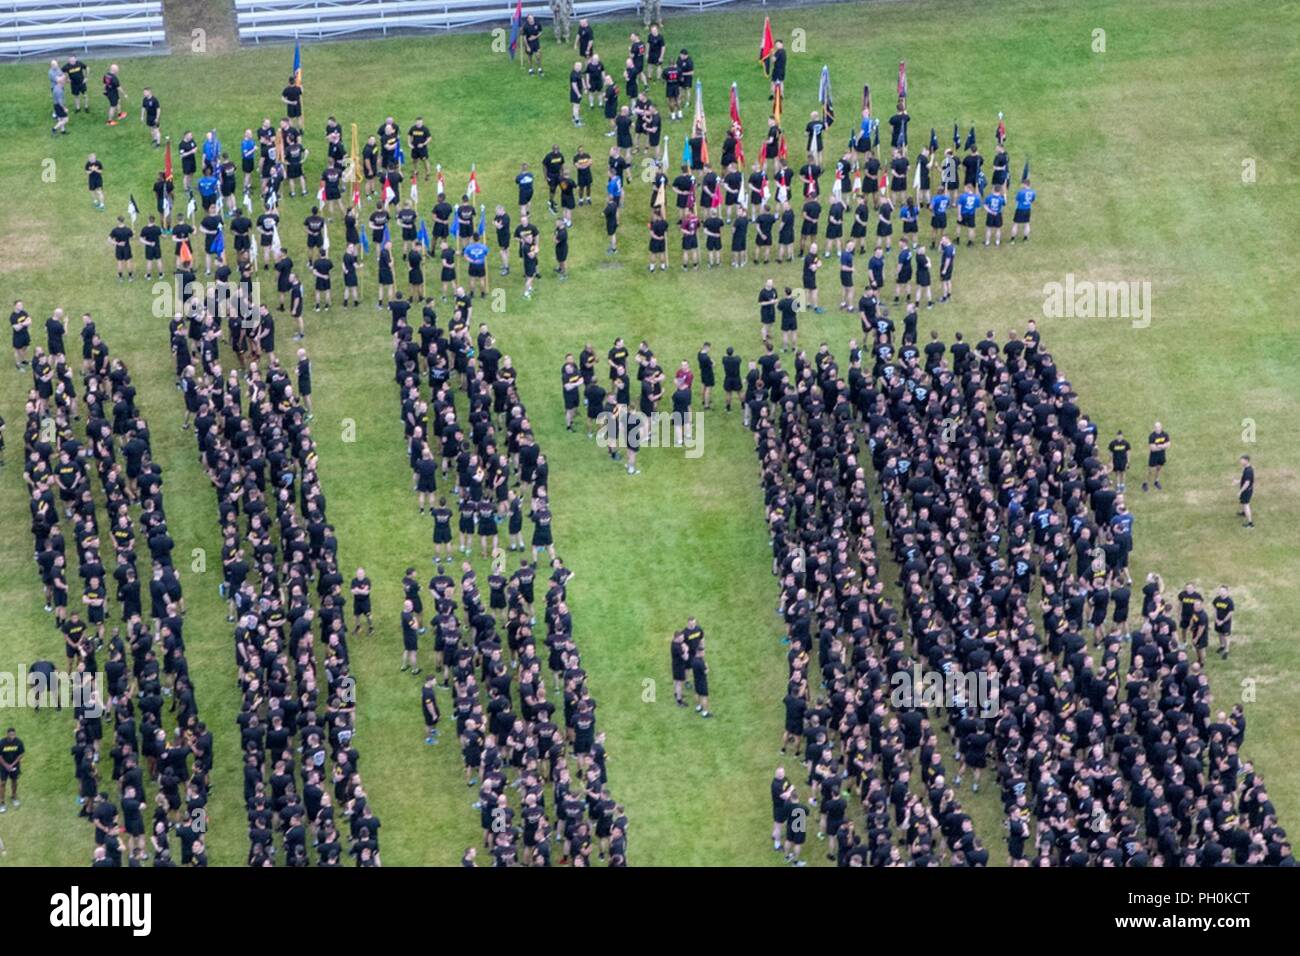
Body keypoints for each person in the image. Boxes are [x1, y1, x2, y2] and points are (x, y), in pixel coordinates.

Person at [1143, 421, 1170, 491]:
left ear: (1161, 427)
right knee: (1150, 470)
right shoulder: (1152, 436)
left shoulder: (1165, 434)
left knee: (1159, 468)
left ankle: (1156, 481)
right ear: (1154, 428)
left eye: (1159, 427)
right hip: (1153, 456)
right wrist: (1163, 446)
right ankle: (1145, 483)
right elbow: (1152, 448)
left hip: (1161, 455)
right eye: (1156, 427)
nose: (1157, 428)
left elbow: (1168, 445)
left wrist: (1159, 446)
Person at [0, 728, 22, 812]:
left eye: (14, 734)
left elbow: (20, 754)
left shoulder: (18, 742)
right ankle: (2, 802)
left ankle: (14, 797)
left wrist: (12, 765)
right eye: (11, 735)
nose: (13, 736)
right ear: (7, 734)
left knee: (14, 782)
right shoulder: (2, 743)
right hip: (3, 766)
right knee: (2, 783)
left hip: (14, 766)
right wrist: (6, 765)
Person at [351, 568, 374, 635]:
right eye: (358, 573)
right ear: (356, 574)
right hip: (357, 601)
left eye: (361, 573)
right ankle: (358, 627)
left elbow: (366, 593)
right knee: (357, 615)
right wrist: (362, 591)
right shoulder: (354, 581)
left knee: (368, 615)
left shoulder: (367, 581)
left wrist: (357, 590)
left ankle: (371, 628)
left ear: (364, 574)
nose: (359, 575)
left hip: (365, 601)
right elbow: (352, 591)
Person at [1238, 454, 1255, 527]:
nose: (1240, 462)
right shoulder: (1247, 468)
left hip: (1246, 490)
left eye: (1242, 460)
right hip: (1247, 490)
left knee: (1246, 505)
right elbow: (1245, 480)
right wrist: (1238, 481)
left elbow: (1247, 483)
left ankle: (1250, 524)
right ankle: (1244, 513)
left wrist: (1240, 491)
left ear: (1246, 461)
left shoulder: (1248, 471)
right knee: (1243, 502)